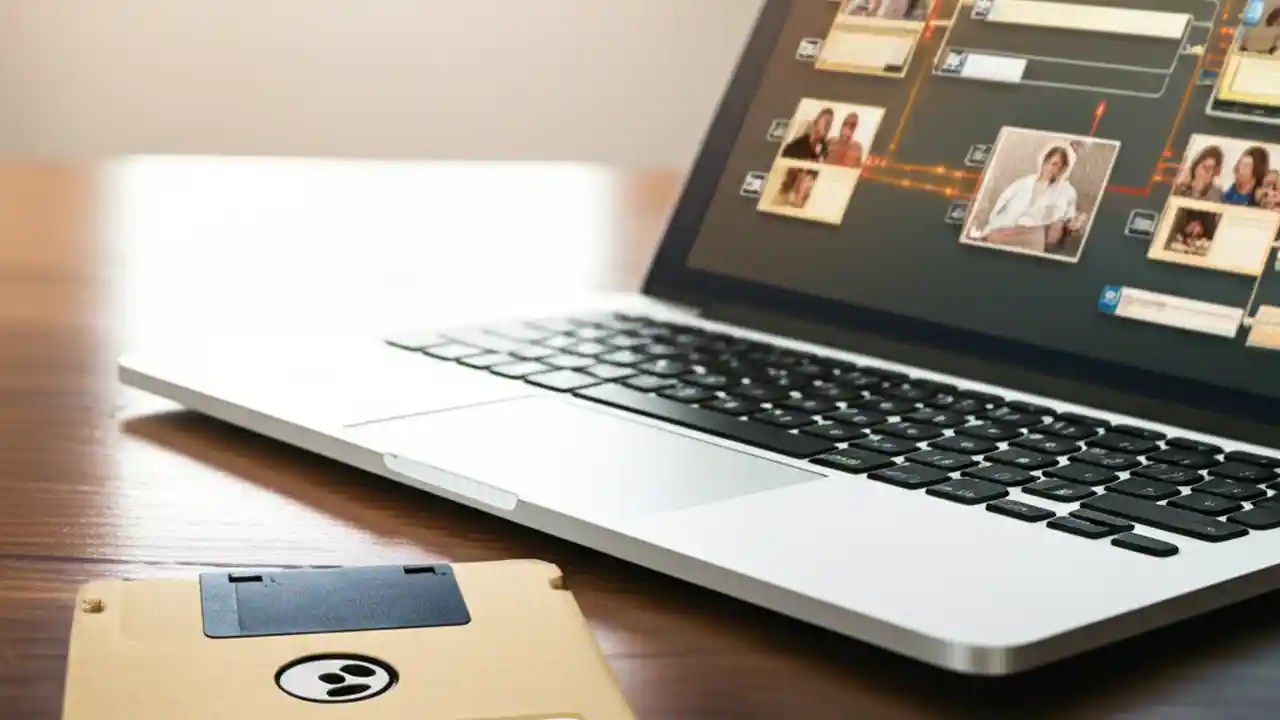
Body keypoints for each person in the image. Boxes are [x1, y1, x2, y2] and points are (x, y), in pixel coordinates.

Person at [972, 144, 1087, 253]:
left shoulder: (1066, 191)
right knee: (994, 236)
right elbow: (1001, 205)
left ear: (1062, 169)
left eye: (1056, 165)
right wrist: (995, 225)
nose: (1050, 168)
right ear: (1043, 163)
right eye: (1048, 163)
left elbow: (1066, 219)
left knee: (997, 237)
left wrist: (1072, 223)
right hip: (1008, 226)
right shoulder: (1022, 183)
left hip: (1037, 234)